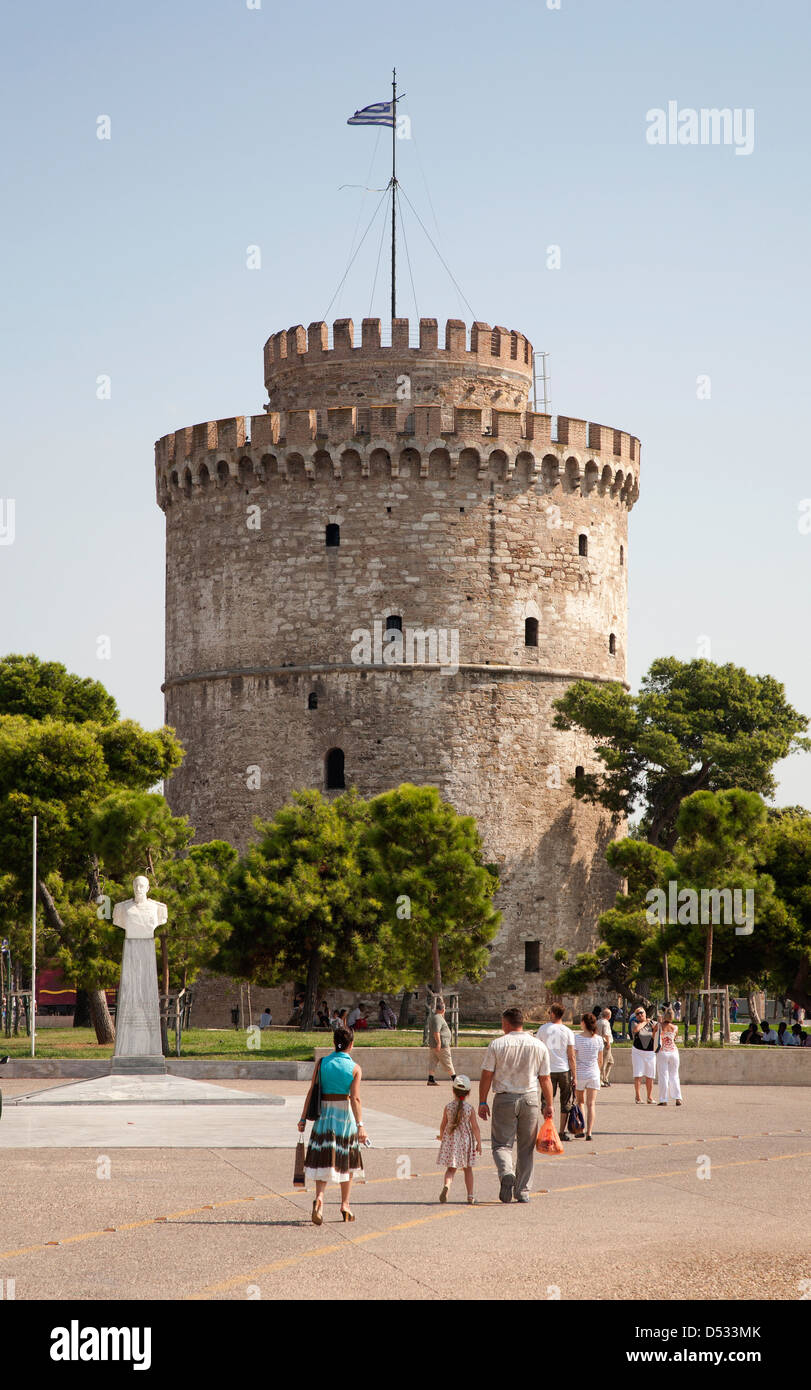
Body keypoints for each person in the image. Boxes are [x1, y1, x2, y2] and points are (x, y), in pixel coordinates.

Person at [478, 1007, 553, 1203]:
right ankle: (522, 1191)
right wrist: (549, 1104)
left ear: (506, 1024)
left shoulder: (497, 1044)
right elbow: (545, 1078)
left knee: (501, 1144)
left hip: (505, 1098)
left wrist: (482, 1101)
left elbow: (487, 1074)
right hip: (530, 1098)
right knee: (526, 1148)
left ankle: (506, 1173)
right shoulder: (538, 1045)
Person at [298, 1025, 367, 1225]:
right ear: (351, 1045)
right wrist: (361, 1124)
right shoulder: (355, 1068)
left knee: (324, 1158)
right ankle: (345, 1205)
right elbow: (355, 1098)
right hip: (344, 1117)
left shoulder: (321, 1063)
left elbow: (312, 1091)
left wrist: (303, 1119)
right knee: (347, 1160)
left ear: (334, 1043)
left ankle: (319, 1199)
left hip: (323, 1116)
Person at [437, 1075, 481, 1205]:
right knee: (468, 1169)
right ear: (468, 1092)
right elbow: (475, 1128)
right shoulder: (469, 1109)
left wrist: (441, 1137)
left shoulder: (448, 1107)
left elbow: (443, 1125)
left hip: (451, 1141)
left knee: (451, 1169)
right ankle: (470, 1196)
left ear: (453, 1090)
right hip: (466, 1142)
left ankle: (447, 1186)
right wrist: (479, 1142)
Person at [535, 1005, 576, 1141]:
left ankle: (548, 1125)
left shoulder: (543, 1029)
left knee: (546, 1100)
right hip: (564, 1069)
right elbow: (571, 1056)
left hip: (547, 1070)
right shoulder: (568, 1031)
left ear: (552, 1014)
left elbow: (538, 1049)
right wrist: (574, 1075)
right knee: (565, 1101)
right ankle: (561, 1131)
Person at [573, 1013, 603, 1139]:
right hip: (593, 1073)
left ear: (584, 1023)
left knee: (580, 1102)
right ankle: (589, 1132)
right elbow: (600, 1060)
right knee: (591, 1104)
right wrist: (598, 1071)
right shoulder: (598, 1039)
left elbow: (573, 1057)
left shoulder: (577, 1038)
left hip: (580, 1073)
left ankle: (581, 1128)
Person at [631, 1007, 660, 1103]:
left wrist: (657, 1024)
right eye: (637, 1014)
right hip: (638, 1051)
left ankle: (649, 1097)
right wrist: (645, 1022)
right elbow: (636, 1029)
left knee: (650, 1075)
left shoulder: (652, 1023)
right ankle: (638, 1097)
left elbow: (657, 1032)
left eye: (641, 1013)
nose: (640, 1015)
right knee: (638, 1074)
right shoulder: (634, 1023)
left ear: (645, 1013)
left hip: (650, 1052)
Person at [427, 997, 456, 1087]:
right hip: (441, 1045)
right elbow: (436, 1031)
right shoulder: (438, 1018)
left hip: (434, 1045)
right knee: (447, 1061)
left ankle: (431, 1079)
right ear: (442, 1009)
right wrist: (439, 1043)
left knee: (433, 1062)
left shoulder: (435, 1017)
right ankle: (456, 1080)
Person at [656, 1007, 683, 1106]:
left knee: (663, 1076)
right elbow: (674, 1038)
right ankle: (678, 1098)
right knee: (675, 1075)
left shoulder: (658, 1026)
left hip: (663, 1051)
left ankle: (663, 1099)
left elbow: (654, 1037)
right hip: (673, 1052)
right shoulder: (675, 1027)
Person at [596, 1008, 614, 1086]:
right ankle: (601, 1080)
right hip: (605, 1043)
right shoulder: (606, 1023)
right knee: (604, 1062)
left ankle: (605, 1078)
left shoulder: (598, 1022)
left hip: (598, 1043)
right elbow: (606, 1034)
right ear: (608, 1015)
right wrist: (608, 1043)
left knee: (610, 1061)